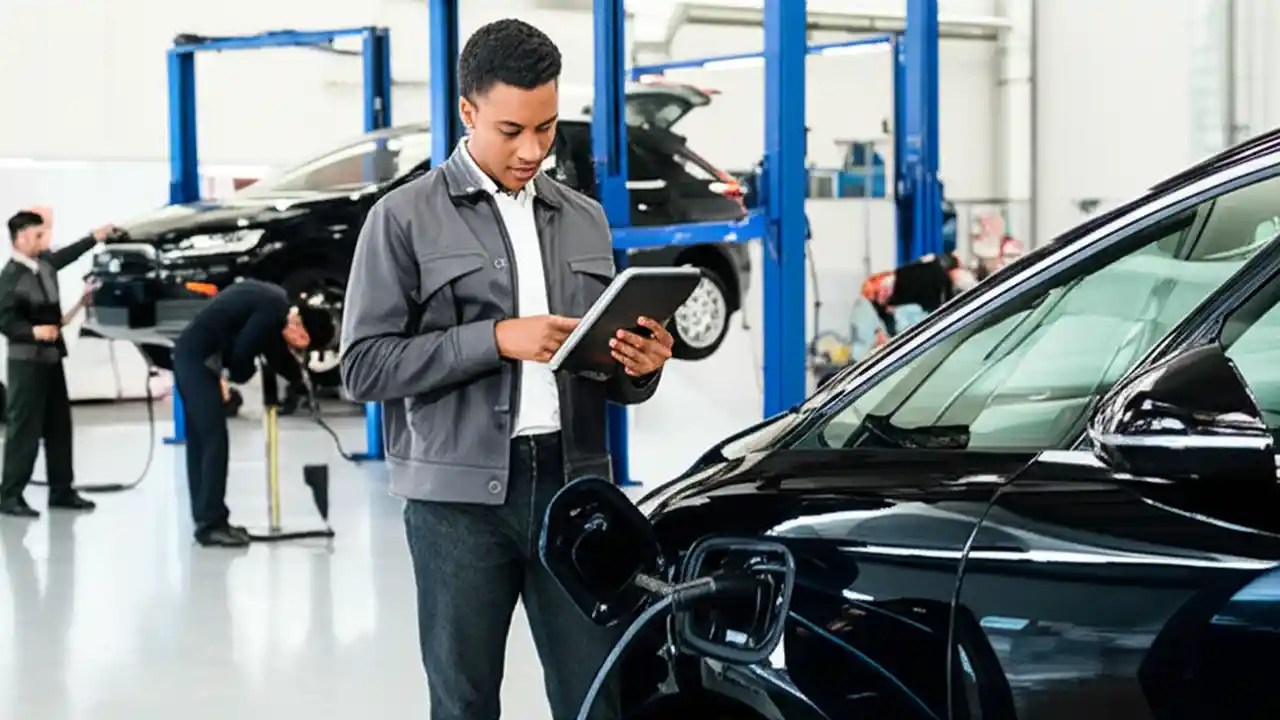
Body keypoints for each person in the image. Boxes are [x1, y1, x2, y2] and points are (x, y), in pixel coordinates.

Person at [340, 19, 674, 720]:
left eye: (547, 129)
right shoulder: (401, 219)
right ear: (468, 112)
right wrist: (493, 339)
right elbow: (364, 368)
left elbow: (604, 368)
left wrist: (639, 367)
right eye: (511, 129)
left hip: (573, 490)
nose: (532, 150)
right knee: (464, 704)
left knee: (596, 697)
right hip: (458, 507)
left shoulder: (584, 219)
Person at [172, 279, 332, 547]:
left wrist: (300, 380)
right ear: (300, 325)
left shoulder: (276, 297)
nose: (297, 347)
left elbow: (272, 348)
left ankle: (207, 519)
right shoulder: (274, 309)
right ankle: (211, 524)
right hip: (199, 362)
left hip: (191, 356)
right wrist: (239, 372)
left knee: (201, 441)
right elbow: (244, 354)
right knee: (212, 441)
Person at [0, 210, 114, 518]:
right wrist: (32, 331)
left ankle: (62, 491)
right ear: (20, 237)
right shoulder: (10, 278)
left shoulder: (45, 266)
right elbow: (5, 321)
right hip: (26, 366)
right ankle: (9, 495)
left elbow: (68, 254)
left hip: (51, 361)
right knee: (24, 430)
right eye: (39, 235)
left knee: (59, 427)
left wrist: (95, 237)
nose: (45, 241)